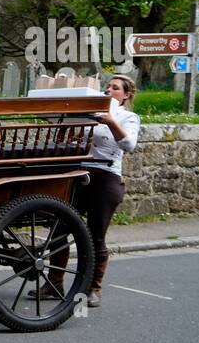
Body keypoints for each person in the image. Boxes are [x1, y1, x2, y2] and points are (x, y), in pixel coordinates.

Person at [38, 75, 141, 308]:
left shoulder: (128, 117)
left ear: (126, 95)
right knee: (59, 228)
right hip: (79, 174)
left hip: (105, 178)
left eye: (115, 88)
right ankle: (54, 283)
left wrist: (111, 122)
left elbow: (129, 145)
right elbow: (69, 143)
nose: (109, 90)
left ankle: (94, 287)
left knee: (95, 236)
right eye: (108, 86)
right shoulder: (89, 114)